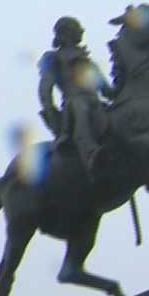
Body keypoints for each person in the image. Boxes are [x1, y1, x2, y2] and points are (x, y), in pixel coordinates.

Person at [38, 16, 113, 178]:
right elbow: (45, 87)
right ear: (66, 32)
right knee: (81, 110)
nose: (82, 31)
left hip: (96, 103)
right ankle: (91, 155)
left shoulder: (86, 60)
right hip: (74, 104)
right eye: (77, 27)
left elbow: (105, 89)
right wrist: (50, 111)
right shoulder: (54, 58)